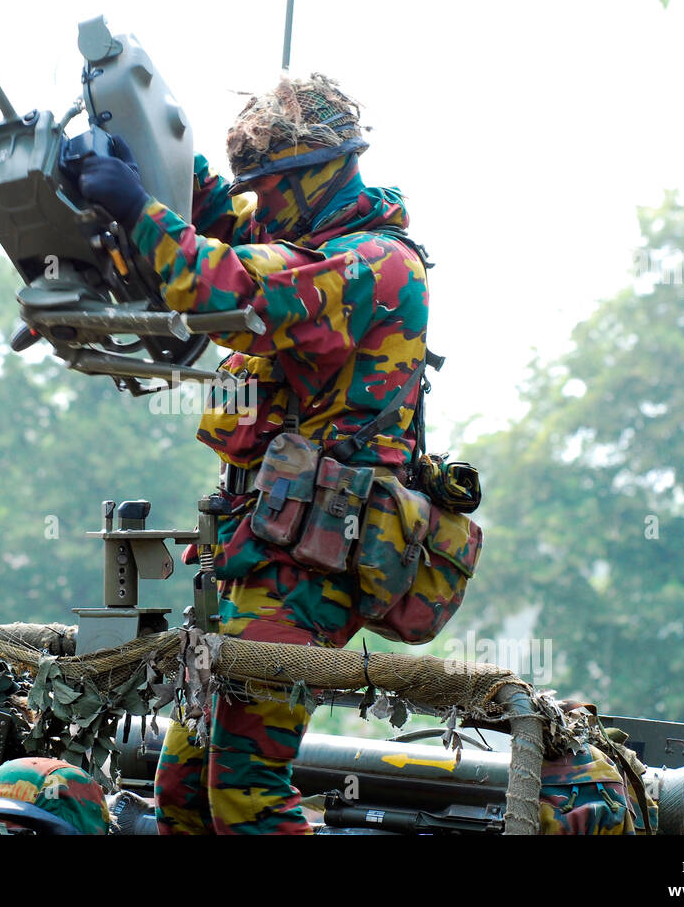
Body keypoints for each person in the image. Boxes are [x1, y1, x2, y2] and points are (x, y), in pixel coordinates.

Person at [77, 73, 430, 834]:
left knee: (246, 792)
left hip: (310, 568)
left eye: (270, 189)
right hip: (254, 557)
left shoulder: (372, 264)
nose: (259, 207)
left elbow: (235, 288)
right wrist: (155, 164)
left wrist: (137, 210)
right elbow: (223, 222)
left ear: (317, 176)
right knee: (182, 789)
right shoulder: (307, 234)